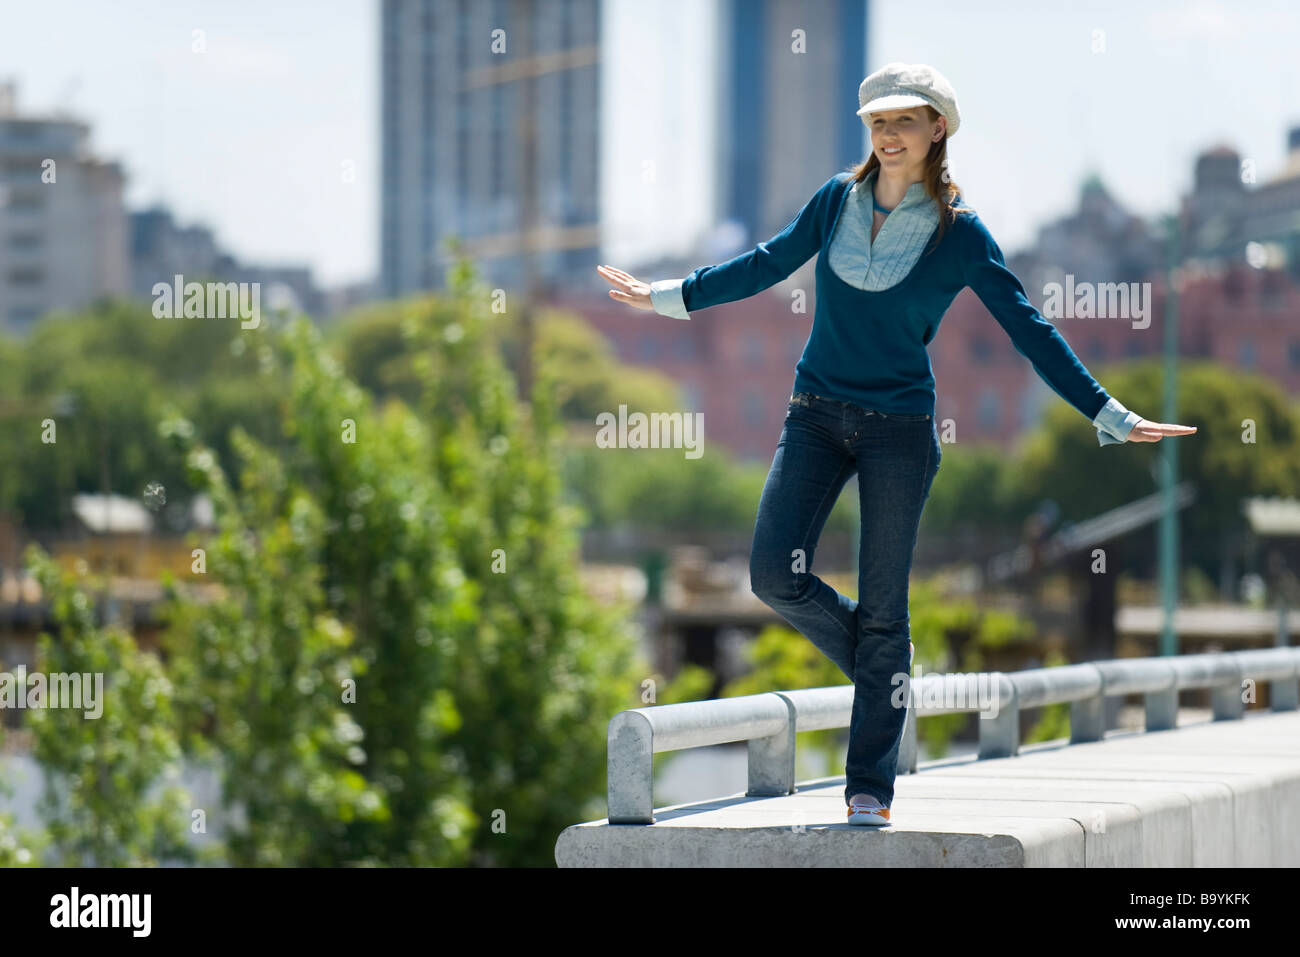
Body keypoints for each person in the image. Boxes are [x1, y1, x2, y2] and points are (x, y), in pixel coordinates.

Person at [595, 62, 1196, 827]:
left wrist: (1108, 412)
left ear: (937, 129)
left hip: (899, 432)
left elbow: (1028, 329)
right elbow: (763, 266)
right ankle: (889, 673)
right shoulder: (833, 203)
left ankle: (868, 787)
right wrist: (664, 296)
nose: (887, 135)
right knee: (774, 575)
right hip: (813, 415)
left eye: (904, 121)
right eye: (877, 122)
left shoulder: (960, 234)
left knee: (885, 607)